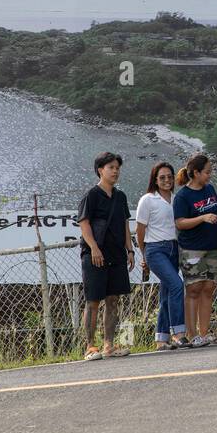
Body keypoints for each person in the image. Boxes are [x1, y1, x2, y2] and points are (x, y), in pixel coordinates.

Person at [75, 151, 134, 360]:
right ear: (101, 170)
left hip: (117, 254)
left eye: (117, 168)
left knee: (113, 299)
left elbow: (125, 224)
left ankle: (109, 345)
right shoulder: (91, 195)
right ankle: (91, 346)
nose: (115, 171)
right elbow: (84, 223)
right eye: (111, 167)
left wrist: (130, 249)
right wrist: (94, 248)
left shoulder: (121, 197)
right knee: (93, 301)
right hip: (95, 255)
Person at [135, 161, 189, 350]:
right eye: (162, 177)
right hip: (155, 249)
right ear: (155, 180)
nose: (167, 180)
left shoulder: (177, 198)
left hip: (174, 248)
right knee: (176, 285)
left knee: (167, 293)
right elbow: (140, 230)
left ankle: (161, 339)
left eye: (169, 176)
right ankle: (179, 333)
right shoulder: (148, 199)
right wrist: (144, 256)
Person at [173, 153, 217, 347]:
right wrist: (202, 218)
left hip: (212, 247)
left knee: (209, 288)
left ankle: (205, 331)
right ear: (195, 172)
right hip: (192, 249)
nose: (210, 175)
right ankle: (192, 334)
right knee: (193, 289)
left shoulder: (210, 189)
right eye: (207, 172)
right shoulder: (183, 196)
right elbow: (180, 223)